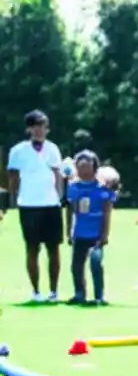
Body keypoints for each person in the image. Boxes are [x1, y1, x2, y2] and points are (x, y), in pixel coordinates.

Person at [7, 110, 64, 302]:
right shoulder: (18, 151)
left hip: (51, 204)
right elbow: (13, 178)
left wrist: (59, 197)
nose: (40, 130)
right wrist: (14, 200)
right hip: (29, 204)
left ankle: (54, 291)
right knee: (32, 248)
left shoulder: (53, 148)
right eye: (37, 126)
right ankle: (36, 291)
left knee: (53, 248)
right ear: (29, 129)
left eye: (44, 126)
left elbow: (57, 174)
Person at [62, 150, 113, 306]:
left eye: (87, 163)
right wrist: (68, 232)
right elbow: (70, 211)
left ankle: (99, 296)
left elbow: (107, 212)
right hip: (79, 232)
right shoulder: (73, 188)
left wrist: (104, 234)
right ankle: (79, 293)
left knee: (96, 264)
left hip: (96, 233)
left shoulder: (103, 189)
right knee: (76, 265)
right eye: (80, 164)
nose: (83, 167)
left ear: (94, 166)